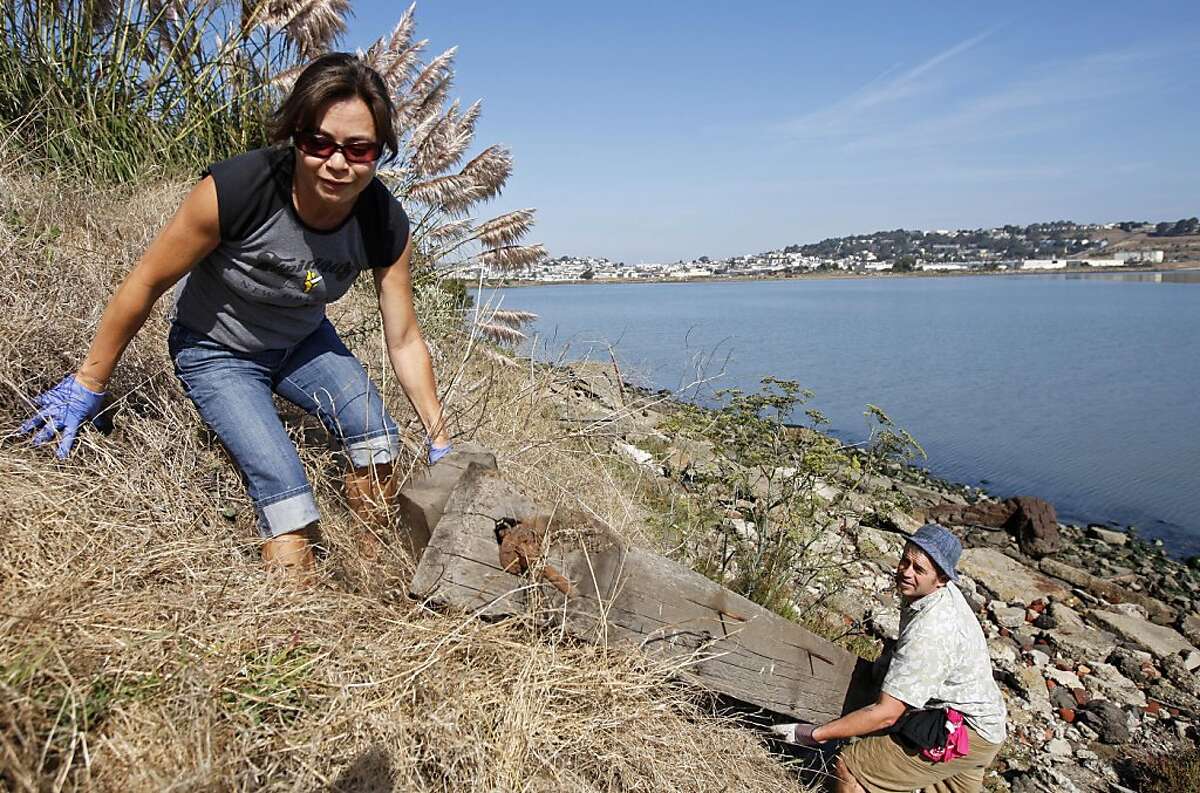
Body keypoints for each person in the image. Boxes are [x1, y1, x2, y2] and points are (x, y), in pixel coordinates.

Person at [19, 53, 451, 580]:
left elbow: (403, 338)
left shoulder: (383, 221)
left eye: (358, 149)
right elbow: (147, 282)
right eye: (319, 143)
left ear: (379, 153)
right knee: (287, 490)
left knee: (378, 438)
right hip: (217, 350)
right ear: (296, 136)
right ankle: (299, 620)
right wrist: (89, 381)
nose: (338, 163)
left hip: (305, 343)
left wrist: (438, 436)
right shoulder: (238, 190)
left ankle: (370, 569)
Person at [773, 523, 1007, 793]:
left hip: (961, 729)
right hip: (985, 726)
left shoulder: (932, 630)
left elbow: (886, 714)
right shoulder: (936, 594)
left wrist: (812, 734)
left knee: (853, 769)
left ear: (941, 579)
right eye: (905, 561)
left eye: (918, 569)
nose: (906, 572)